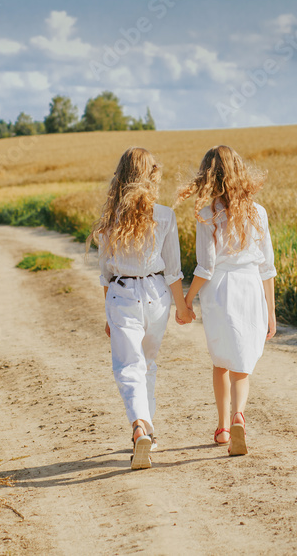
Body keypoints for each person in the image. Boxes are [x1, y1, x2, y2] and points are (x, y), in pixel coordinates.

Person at [88, 147, 195, 470]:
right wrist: (182, 308)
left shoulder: (109, 220)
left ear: (121, 177)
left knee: (127, 366)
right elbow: (173, 271)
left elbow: (106, 272)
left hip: (121, 295)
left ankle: (138, 426)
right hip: (156, 295)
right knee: (146, 363)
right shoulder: (164, 215)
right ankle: (148, 427)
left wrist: (109, 312)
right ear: (151, 177)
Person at [178, 146, 276, 456]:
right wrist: (271, 312)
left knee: (220, 360)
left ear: (207, 176)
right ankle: (239, 416)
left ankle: (222, 428)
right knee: (241, 363)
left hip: (219, 290)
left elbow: (205, 267)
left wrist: (186, 299)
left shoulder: (207, 213)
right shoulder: (257, 212)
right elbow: (267, 267)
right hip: (250, 288)